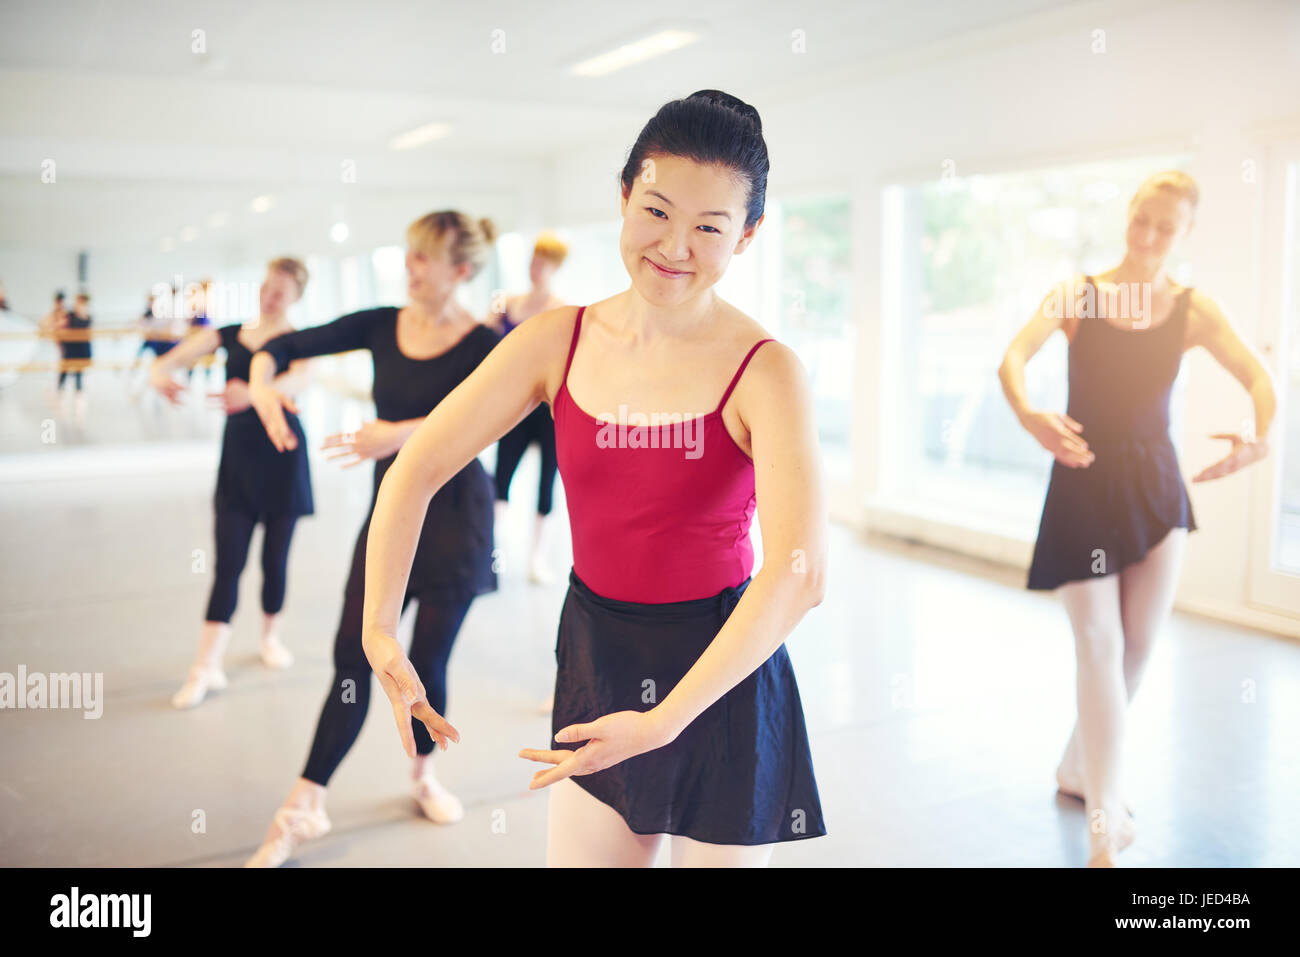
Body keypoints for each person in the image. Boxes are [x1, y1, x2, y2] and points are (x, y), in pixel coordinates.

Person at [352, 90, 828, 867]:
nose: (675, 245)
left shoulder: (767, 371)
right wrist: (378, 625)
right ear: (623, 197)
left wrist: (665, 719)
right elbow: (417, 465)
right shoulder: (555, 340)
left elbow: (801, 574)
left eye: (709, 227)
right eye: (657, 211)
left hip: (722, 670)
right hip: (599, 651)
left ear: (747, 236)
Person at [998, 171, 1276, 867]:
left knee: (1137, 649)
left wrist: (1261, 434)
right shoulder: (1078, 294)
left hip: (1155, 485)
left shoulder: (1193, 308)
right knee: (1098, 646)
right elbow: (1014, 357)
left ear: (1185, 235)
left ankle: (1076, 764)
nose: (1149, 235)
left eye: (1166, 226)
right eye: (1142, 219)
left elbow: (1261, 378)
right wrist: (1029, 414)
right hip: (1083, 479)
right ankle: (1105, 825)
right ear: (1130, 216)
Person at [242, 211, 500, 867]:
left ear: (460, 271)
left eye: (424, 259)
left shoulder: (484, 344)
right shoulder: (384, 322)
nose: (410, 268)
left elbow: (488, 419)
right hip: (394, 519)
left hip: (457, 523)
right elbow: (294, 342)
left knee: (428, 661)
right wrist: (264, 384)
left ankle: (423, 776)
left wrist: (397, 433)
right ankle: (305, 801)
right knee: (356, 658)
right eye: (408, 256)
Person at [149, 258, 315, 708]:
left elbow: (302, 377)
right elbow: (171, 357)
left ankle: (269, 638)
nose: (271, 296)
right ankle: (205, 666)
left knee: (275, 561)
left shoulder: (298, 342)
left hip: (284, 460)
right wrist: (158, 373)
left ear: (296, 296)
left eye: (281, 290)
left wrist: (257, 392)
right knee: (228, 564)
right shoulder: (229, 334)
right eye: (267, 286)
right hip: (238, 464)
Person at [489, 232, 568, 587]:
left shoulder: (562, 310)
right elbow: (486, 347)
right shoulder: (506, 305)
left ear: (554, 269)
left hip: (548, 409)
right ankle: (489, 550)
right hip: (512, 405)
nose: (535, 270)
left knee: (545, 484)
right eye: (532, 263)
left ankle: (537, 558)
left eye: (542, 265)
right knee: (502, 476)